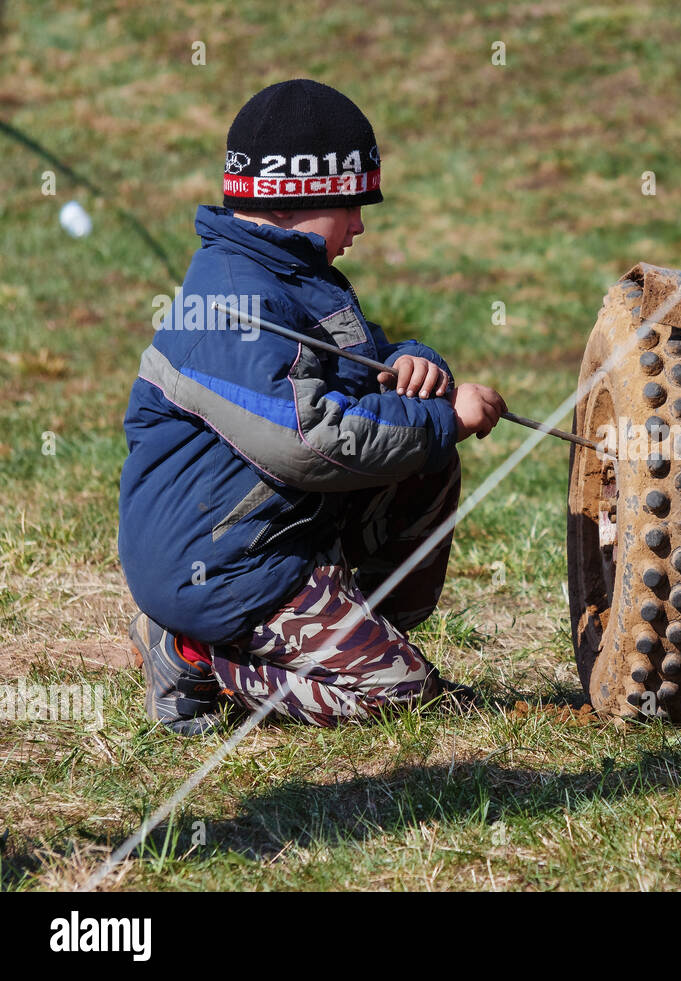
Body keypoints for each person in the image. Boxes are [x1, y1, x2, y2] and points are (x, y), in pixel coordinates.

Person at [118, 79, 505, 734]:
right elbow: (304, 437)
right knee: (403, 698)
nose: (360, 224)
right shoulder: (232, 300)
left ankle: (350, 636)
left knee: (424, 454)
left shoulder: (295, 274)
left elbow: (362, 366)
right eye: (352, 204)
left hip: (275, 538)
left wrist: (414, 367)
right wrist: (447, 419)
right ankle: (193, 656)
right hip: (222, 562)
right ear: (295, 197)